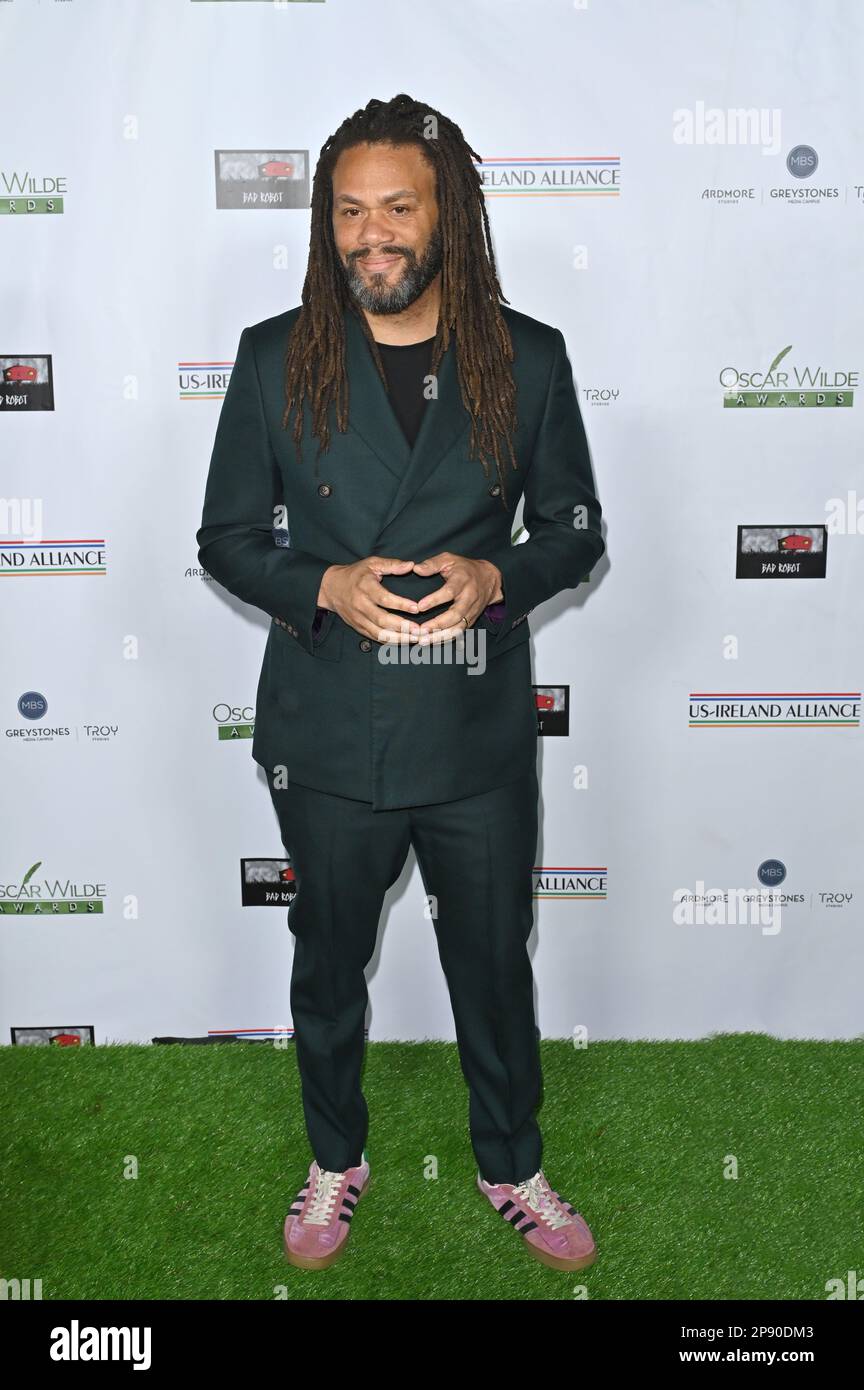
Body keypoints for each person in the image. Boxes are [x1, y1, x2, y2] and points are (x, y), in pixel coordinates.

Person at [196, 93, 605, 1274]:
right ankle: (337, 1156)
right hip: (326, 731)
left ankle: (512, 1163)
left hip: (473, 729)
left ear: (449, 215)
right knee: (326, 960)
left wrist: (498, 572)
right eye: (350, 210)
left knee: (492, 960)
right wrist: (322, 586)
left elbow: (575, 529)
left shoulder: (529, 357)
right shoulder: (276, 358)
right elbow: (226, 537)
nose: (373, 233)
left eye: (399, 207)